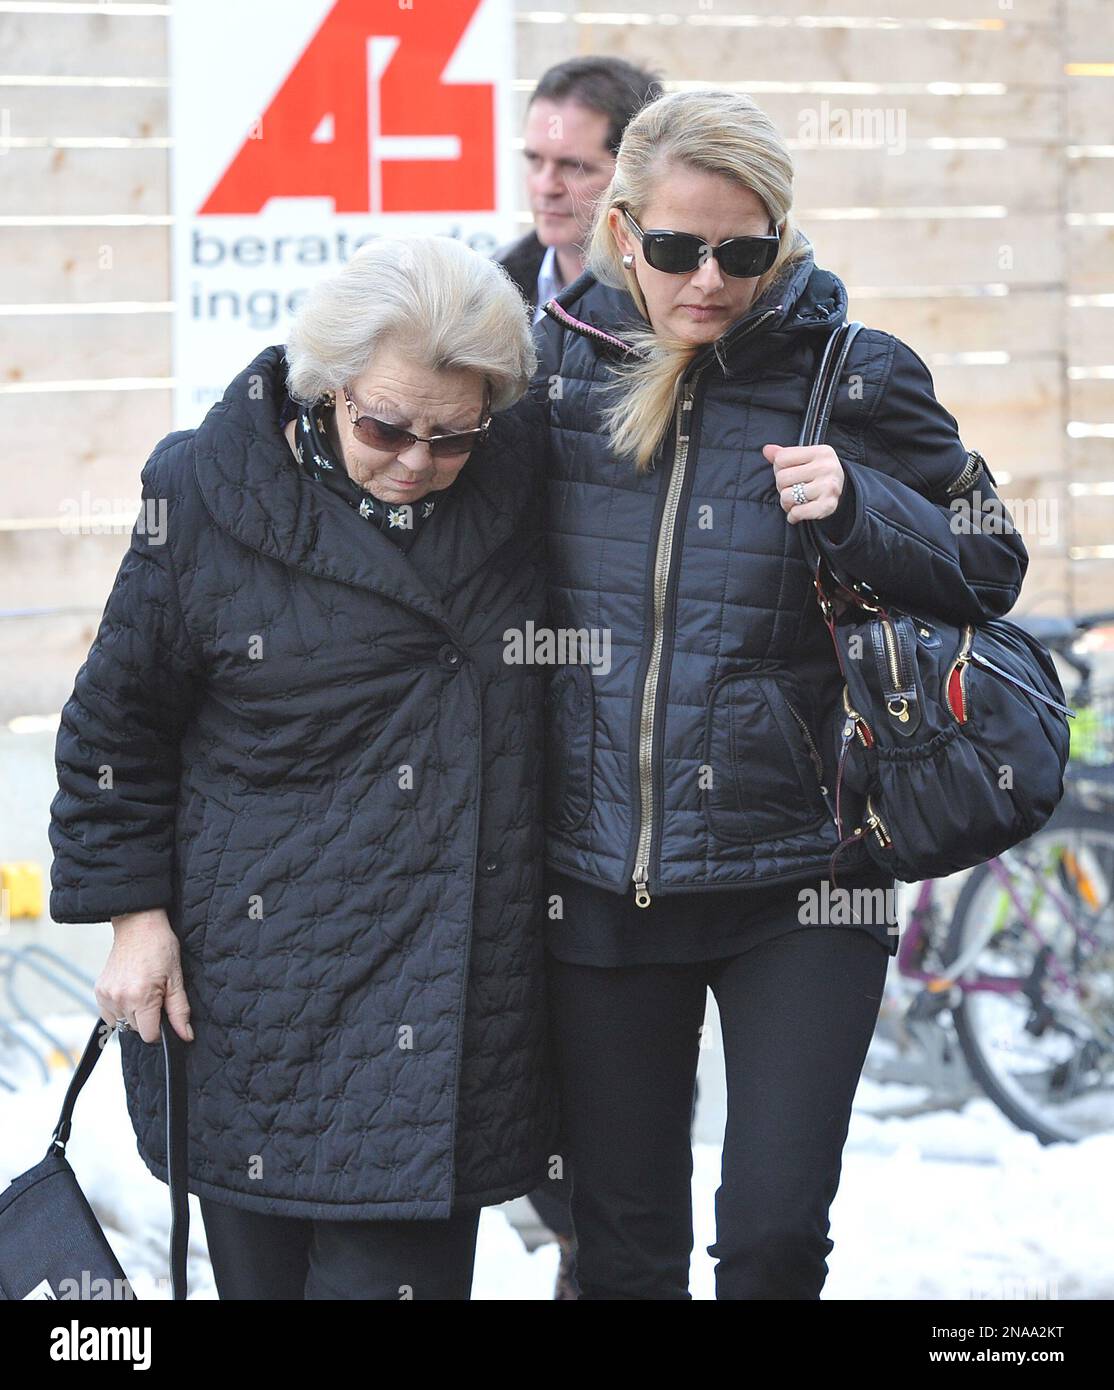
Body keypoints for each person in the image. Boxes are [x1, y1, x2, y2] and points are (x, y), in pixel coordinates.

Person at [517, 88, 1028, 1299]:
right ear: (625, 227)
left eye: (743, 253)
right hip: (597, 880)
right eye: (681, 248)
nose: (709, 281)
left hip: (806, 880)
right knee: (621, 1247)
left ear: (780, 238)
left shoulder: (854, 374)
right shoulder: (546, 368)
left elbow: (991, 558)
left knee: (771, 1238)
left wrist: (864, 506)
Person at [48, 236, 558, 1300]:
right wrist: (134, 917)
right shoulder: (201, 488)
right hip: (251, 989)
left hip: (441, 990)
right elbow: (116, 726)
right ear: (323, 389)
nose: (415, 462)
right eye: (383, 427)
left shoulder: (525, 479)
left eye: (451, 437)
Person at [495, 56, 662, 322]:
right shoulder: (491, 289)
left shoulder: (680, 303)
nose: (546, 186)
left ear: (633, 172)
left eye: (574, 167)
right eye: (535, 160)